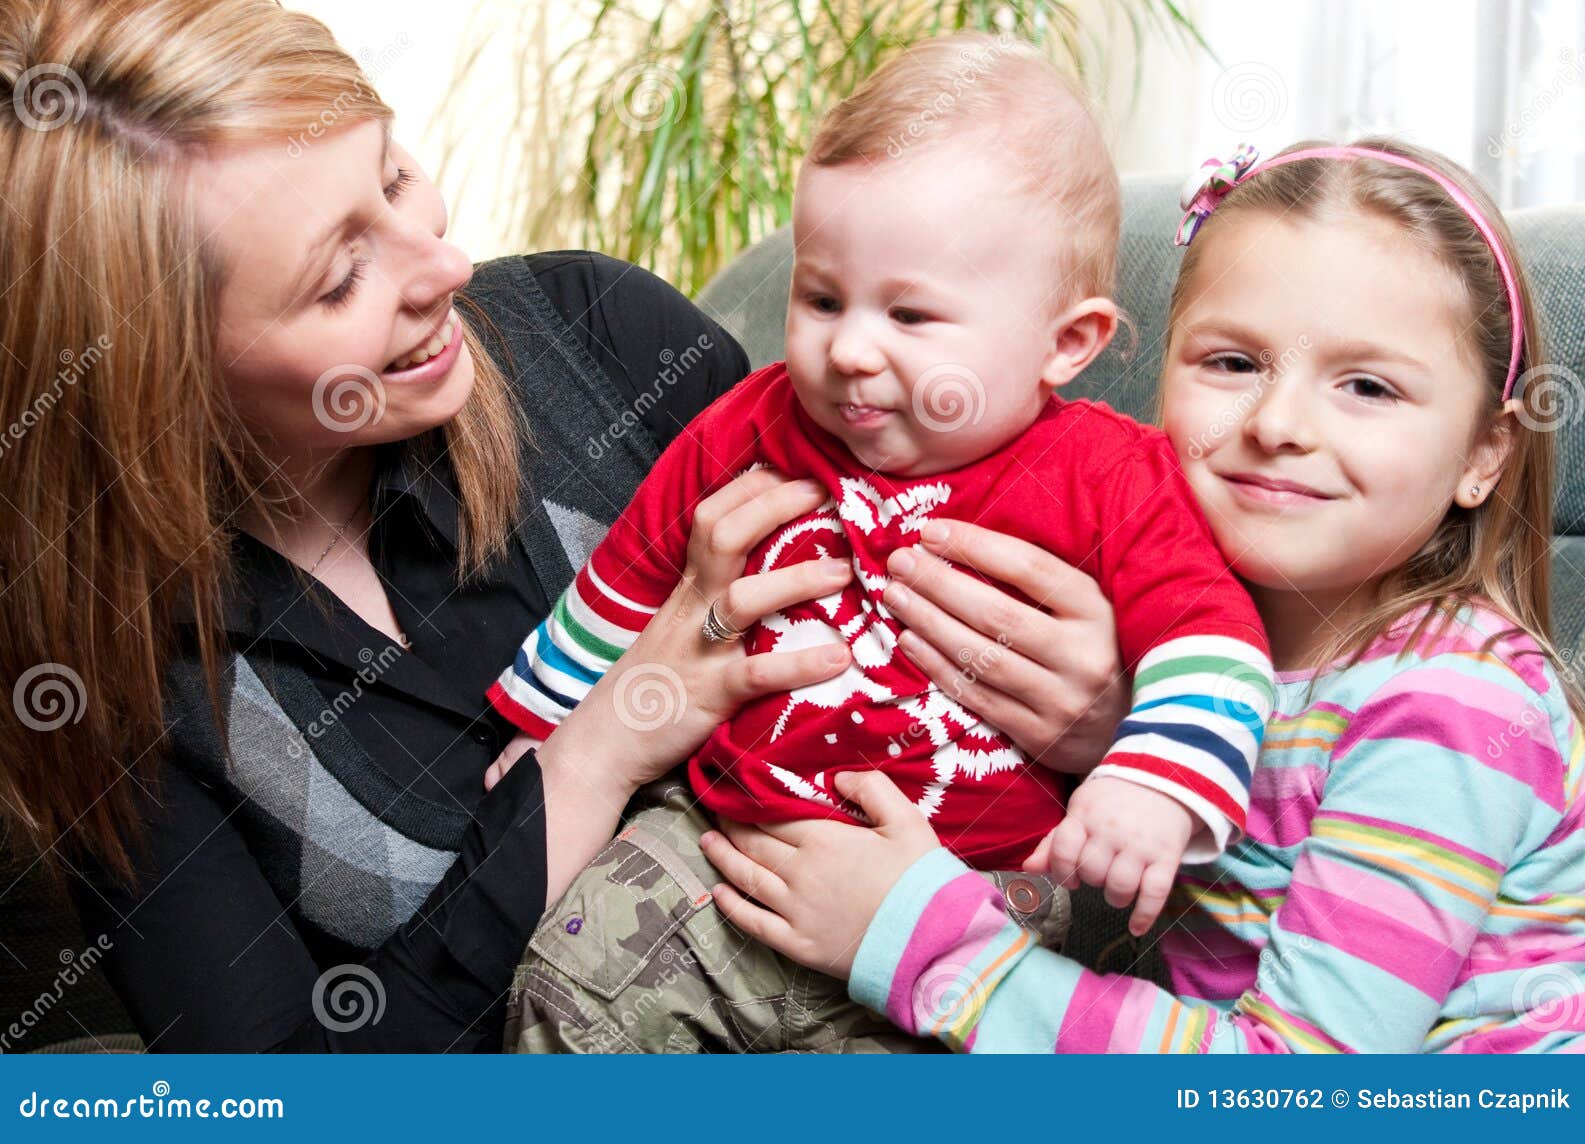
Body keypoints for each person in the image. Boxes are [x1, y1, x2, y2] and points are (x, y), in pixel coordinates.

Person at [0, 0, 1125, 1052]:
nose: (442, 264)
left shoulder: (608, 339)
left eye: (396, 175)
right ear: (156, 374)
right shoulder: (105, 688)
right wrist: (599, 749)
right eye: (340, 277)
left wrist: (1102, 723)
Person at [702, 138, 1585, 1053]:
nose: (1278, 425)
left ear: (1487, 453)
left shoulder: (1450, 703)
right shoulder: (1148, 637)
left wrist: (911, 936)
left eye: (1367, 386)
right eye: (1232, 364)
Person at [492, 33, 1271, 1053]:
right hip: (723, 847)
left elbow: (1211, 638)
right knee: (569, 982)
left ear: (1065, 342)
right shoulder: (749, 424)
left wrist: (1147, 781)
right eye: (821, 298)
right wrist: (545, 725)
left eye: (910, 314)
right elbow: (629, 579)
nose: (850, 349)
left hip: (971, 896)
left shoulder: (1113, 475)